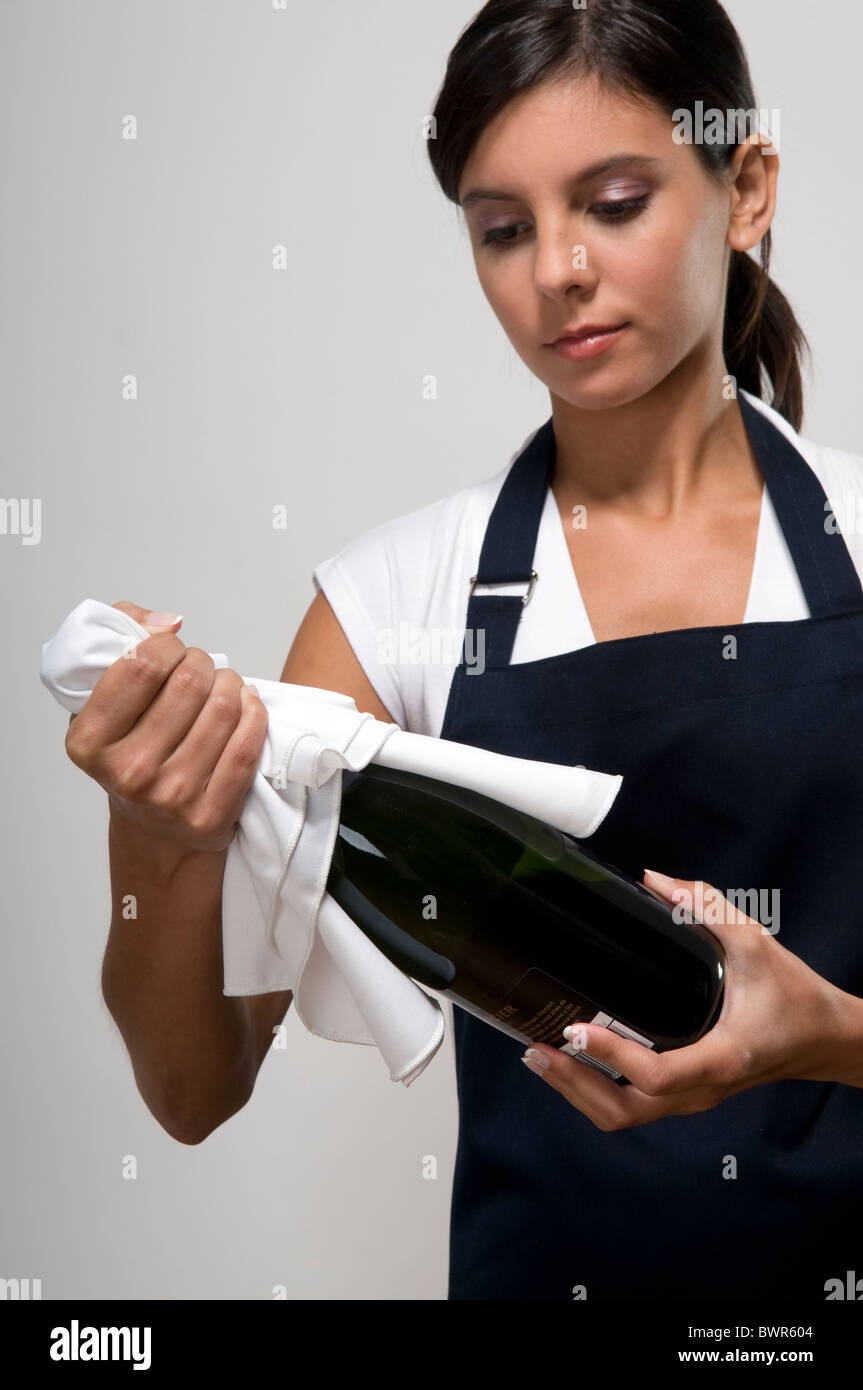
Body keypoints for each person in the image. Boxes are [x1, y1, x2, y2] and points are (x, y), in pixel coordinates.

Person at [65, 0, 863, 1300]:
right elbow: (194, 1088)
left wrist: (832, 1037)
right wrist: (158, 834)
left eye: (613, 203)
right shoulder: (390, 606)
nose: (555, 268)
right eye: (502, 229)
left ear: (749, 187)